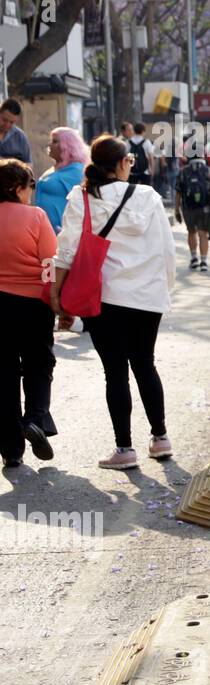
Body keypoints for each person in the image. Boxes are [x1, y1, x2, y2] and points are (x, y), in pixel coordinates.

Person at [49, 136, 175, 470]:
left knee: (115, 371)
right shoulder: (148, 196)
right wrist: (165, 289)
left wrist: (56, 294)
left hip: (106, 298)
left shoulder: (82, 198)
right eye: (130, 160)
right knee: (145, 364)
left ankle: (125, 448)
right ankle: (160, 438)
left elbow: (67, 251)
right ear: (122, 163)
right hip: (147, 297)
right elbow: (167, 249)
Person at [0, 159, 58, 468]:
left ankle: (10, 449)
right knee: (39, 362)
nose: (31, 192)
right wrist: (56, 301)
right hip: (34, 305)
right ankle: (34, 418)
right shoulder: (36, 216)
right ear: (17, 187)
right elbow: (49, 262)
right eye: (29, 186)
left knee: (4, 372)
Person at [175, 144, 210, 271]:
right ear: (202, 154)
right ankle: (204, 262)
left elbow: (178, 192)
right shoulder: (208, 170)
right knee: (203, 234)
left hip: (188, 207)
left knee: (191, 232)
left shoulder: (183, 171)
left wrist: (176, 210)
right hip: (205, 207)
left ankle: (194, 258)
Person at [34, 128, 88, 232]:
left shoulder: (77, 170)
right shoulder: (57, 168)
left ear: (67, 146)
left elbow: (84, 204)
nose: (49, 145)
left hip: (62, 233)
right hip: (45, 230)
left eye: (55, 141)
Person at [126, 122, 157, 189]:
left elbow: (126, 156)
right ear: (143, 131)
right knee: (145, 190)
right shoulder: (146, 142)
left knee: (132, 191)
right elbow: (151, 158)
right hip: (145, 171)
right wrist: (152, 170)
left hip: (132, 172)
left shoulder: (128, 142)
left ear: (134, 130)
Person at [0, 99, 31, 165]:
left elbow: (29, 165)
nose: (7, 125)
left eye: (12, 122)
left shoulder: (20, 136)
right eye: (4, 120)